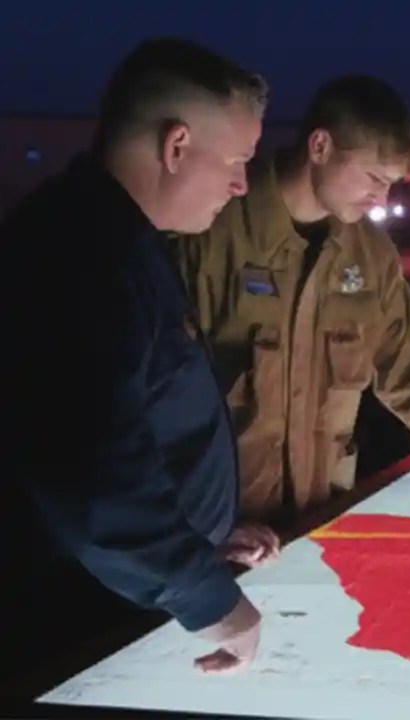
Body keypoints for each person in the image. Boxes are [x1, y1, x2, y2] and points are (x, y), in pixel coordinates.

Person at [0, 38, 280, 678]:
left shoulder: (124, 242)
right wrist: (205, 597)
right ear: (176, 145)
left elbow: (150, 412)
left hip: (124, 584)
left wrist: (202, 536)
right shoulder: (79, 260)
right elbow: (94, 474)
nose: (241, 184)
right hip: (72, 621)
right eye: (236, 160)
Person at [172, 75, 410, 523]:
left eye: (391, 183)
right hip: (216, 533)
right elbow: (154, 401)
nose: (382, 197)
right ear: (320, 146)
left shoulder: (370, 256)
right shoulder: (210, 232)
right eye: (373, 177)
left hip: (317, 521)